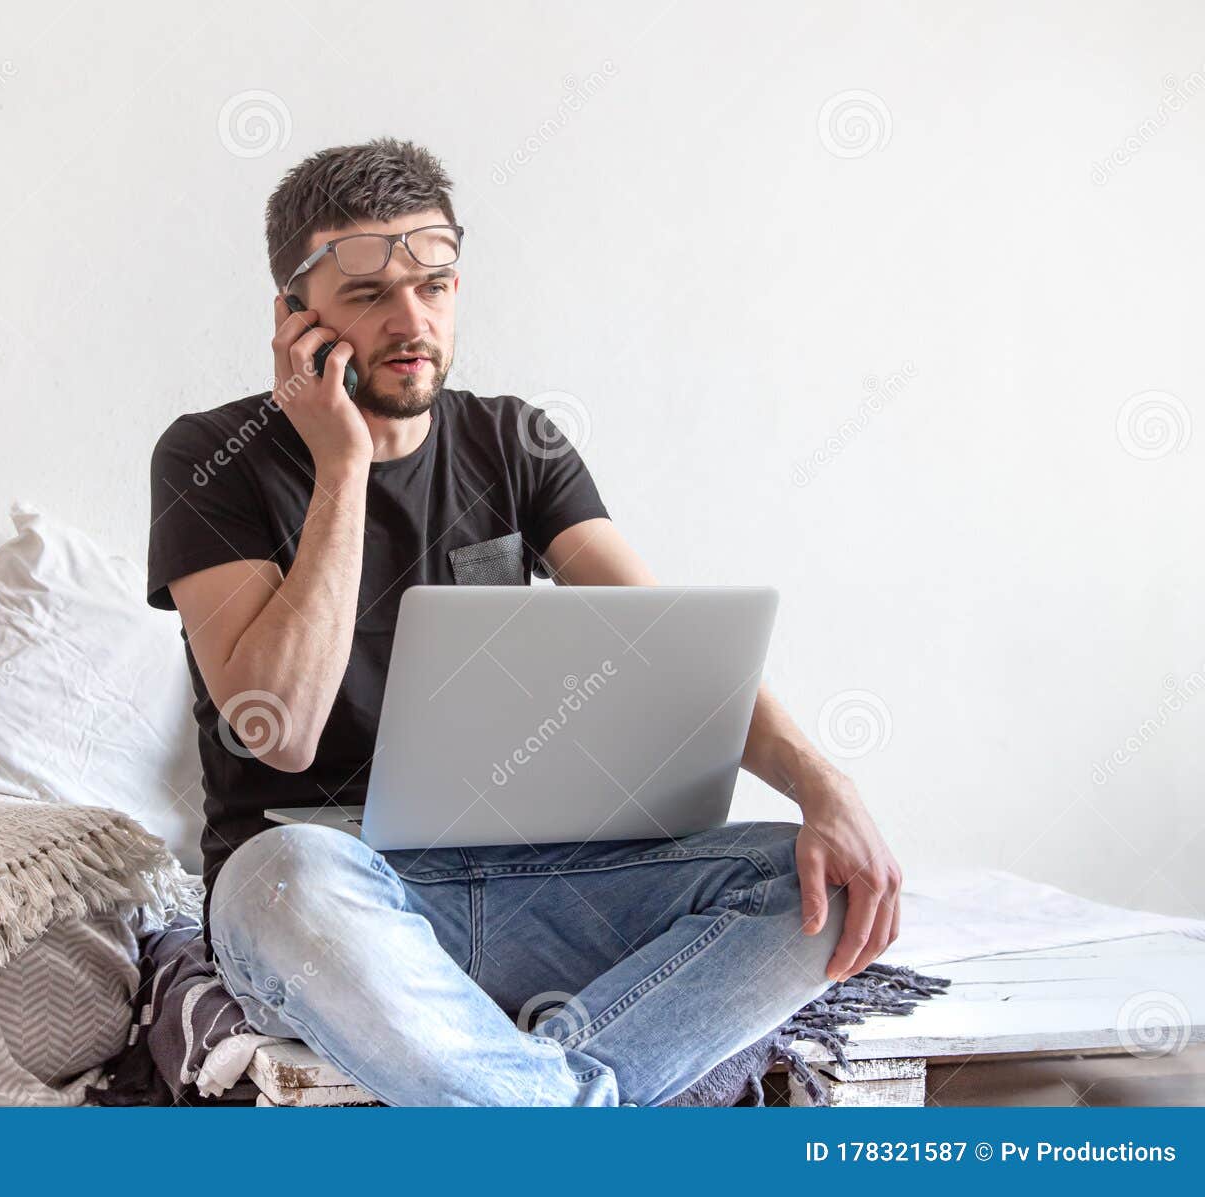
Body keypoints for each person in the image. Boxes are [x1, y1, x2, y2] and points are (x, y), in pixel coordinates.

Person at [146, 137, 902, 1105]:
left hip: (527, 882)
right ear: (298, 317)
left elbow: (672, 655)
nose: (412, 320)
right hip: (329, 899)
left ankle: (534, 1114)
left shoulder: (515, 440)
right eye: (371, 296)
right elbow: (276, 731)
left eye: (436, 284)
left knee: (823, 879)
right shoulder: (210, 454)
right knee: (283, 870)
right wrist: (342, 467)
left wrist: (826, 789)